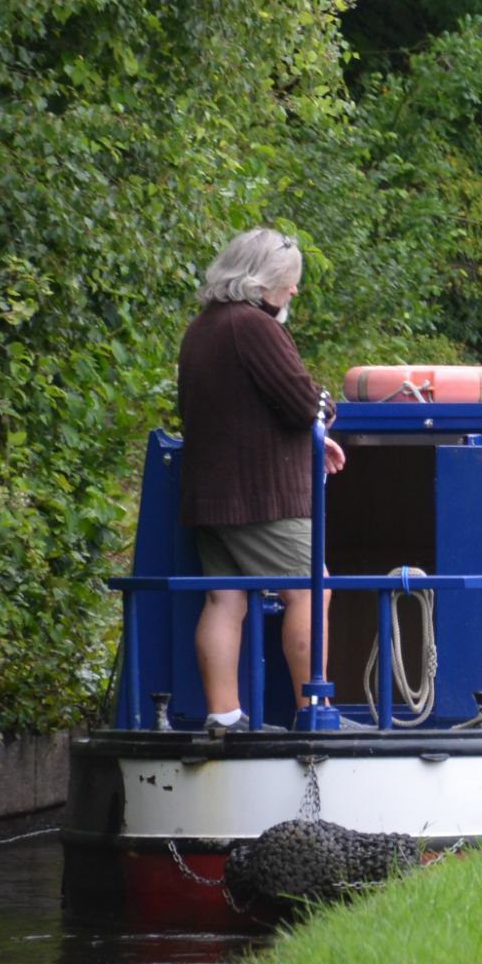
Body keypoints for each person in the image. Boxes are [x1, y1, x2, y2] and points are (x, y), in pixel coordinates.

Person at [177, 228, 345, 734]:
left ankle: (223, 716)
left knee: (225, 599)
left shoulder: (201, 329)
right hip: (260, 497)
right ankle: (314, 713)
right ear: (263, 281)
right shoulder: (254, 327)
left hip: (210, 494)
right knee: (311, 591)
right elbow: (303, 403)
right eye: (289, 282)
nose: (293, 292)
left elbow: (233, 412)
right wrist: (325, 412)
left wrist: (311, 440)